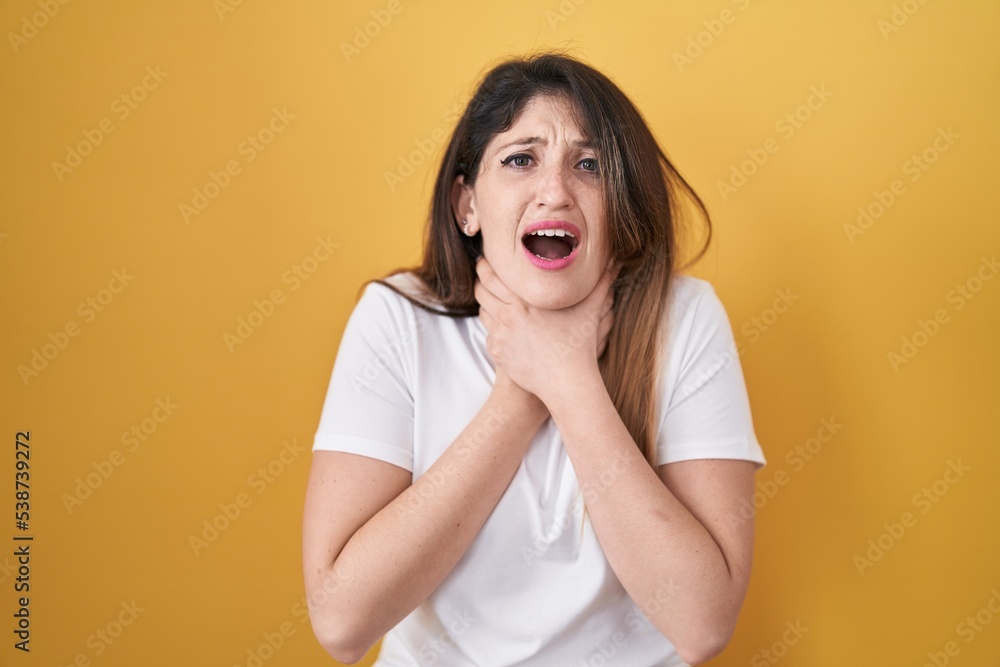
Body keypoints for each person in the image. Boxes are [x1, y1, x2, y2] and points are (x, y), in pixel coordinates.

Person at [302, 52, 766, 666]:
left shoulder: (684, 319)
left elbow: (702, 625)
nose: (556, 191)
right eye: (521, 159)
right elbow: (341, 623)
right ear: (467, 205)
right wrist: (522, 391)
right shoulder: (397, 319)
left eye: (590, 164)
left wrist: (570, 379)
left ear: (621, 204)